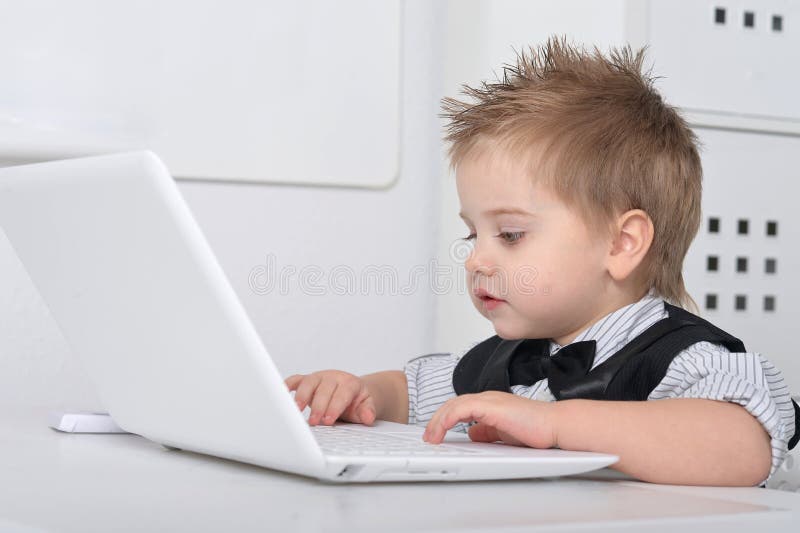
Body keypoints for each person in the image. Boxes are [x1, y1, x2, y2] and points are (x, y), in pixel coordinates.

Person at [284, 37, 798, 487]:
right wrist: (357, 392)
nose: (476, 259)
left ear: (621, 244)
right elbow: (410, 392)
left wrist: (553, 424)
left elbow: (744, 444)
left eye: (510, 234)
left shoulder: (685, 358)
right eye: (472, 233)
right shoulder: (505, 360)